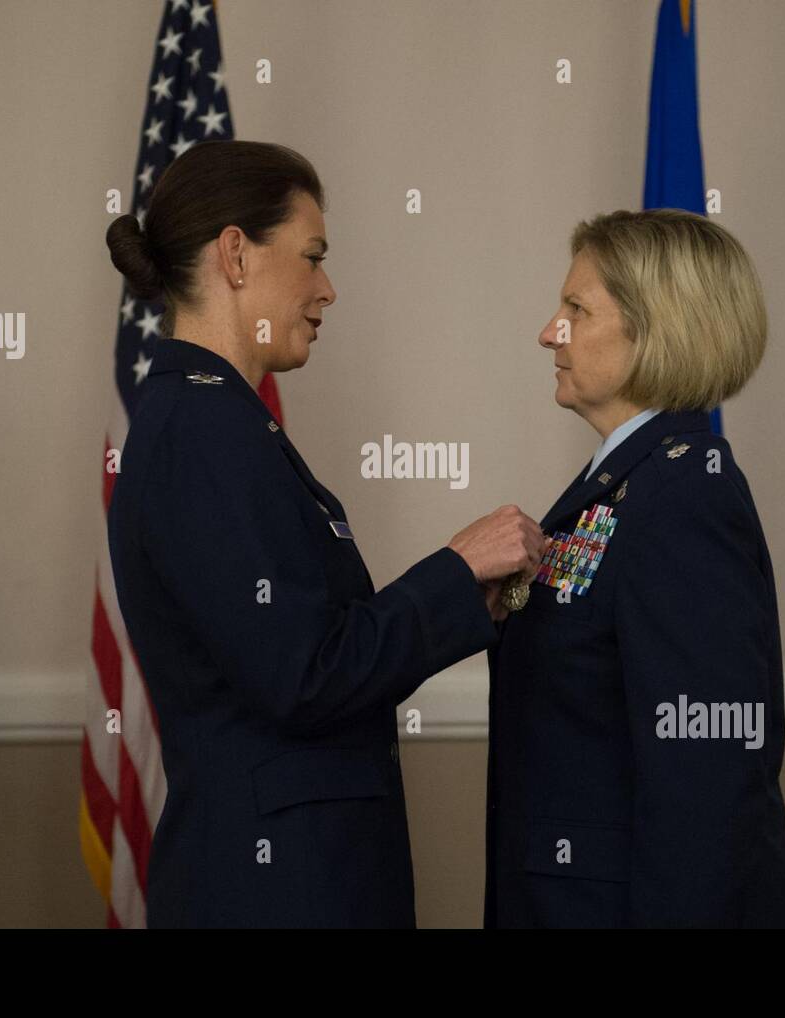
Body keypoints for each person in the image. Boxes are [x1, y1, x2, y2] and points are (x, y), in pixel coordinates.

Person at [105, 140, 544, 928]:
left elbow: (298, 647)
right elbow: (302, 675)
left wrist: (467, 601)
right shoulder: (206, 431)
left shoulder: (220, 419)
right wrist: (453, 567)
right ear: (236, 254)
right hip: (275, 892)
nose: (327, 289)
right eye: (311, 257)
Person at [485, 208, 785, 928]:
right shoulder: (630, 483)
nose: (549, 332)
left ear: (655, 328)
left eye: (575, 309)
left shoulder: (682, 497)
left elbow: (707, 784)